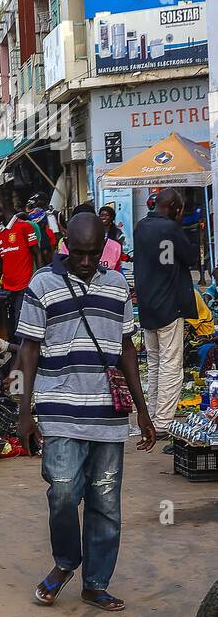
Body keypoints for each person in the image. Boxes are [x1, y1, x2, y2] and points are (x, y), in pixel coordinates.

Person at [16, 213, 154, 613]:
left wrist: (142, 411)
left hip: (109, 414)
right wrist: (24, 412)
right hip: (58, 406)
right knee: (61, 491)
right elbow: (28, 352)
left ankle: (95, 583)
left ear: (104, 246)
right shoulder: (41, 284)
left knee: (106, 502)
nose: (85, 261)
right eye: (78, 253)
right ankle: (65, 562)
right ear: (65, 245)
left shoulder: (117, 285)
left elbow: (127, 349)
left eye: (93, 253)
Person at [132, 188, 198, 441]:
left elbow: (164, 259)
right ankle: (162, 423)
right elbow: (189, 256)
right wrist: (181, 227)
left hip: (149, 304)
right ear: (172, 207)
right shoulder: (170, 229)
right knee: (170, 365)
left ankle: (152, 416)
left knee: (155, 362)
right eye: (180, 209)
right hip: (169, 305)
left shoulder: (141, 227)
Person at [0, 196, 42, 342]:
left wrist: (40, 281)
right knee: (11, 333)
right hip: (7, 292)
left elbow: (38, 254)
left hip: (25, 290)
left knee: (22, 333)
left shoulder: (25, 227)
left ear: (0, 210)